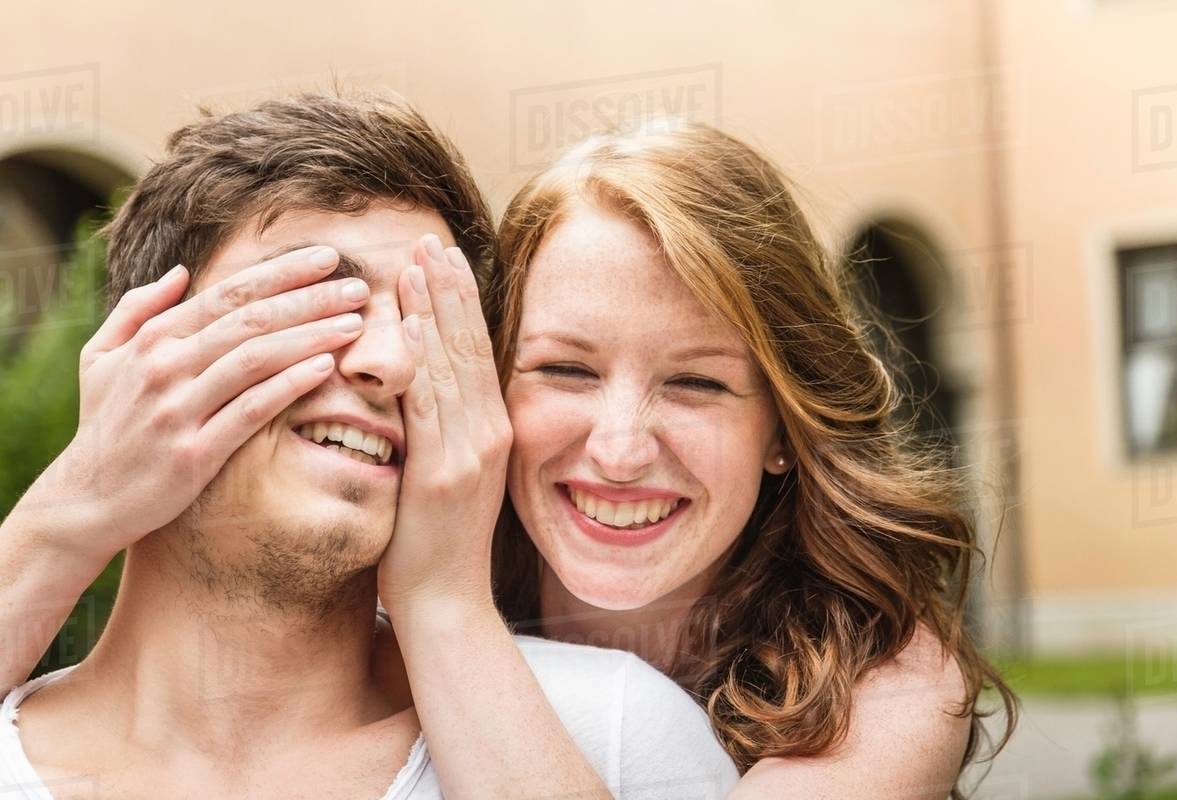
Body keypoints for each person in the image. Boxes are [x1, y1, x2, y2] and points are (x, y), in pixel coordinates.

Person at [0, 93, 739, 799]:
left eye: (431, 322)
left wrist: (444, 598)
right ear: (141, 360)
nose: (390, 360)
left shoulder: (614, 734)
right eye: (319, 298)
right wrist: (74, 504)